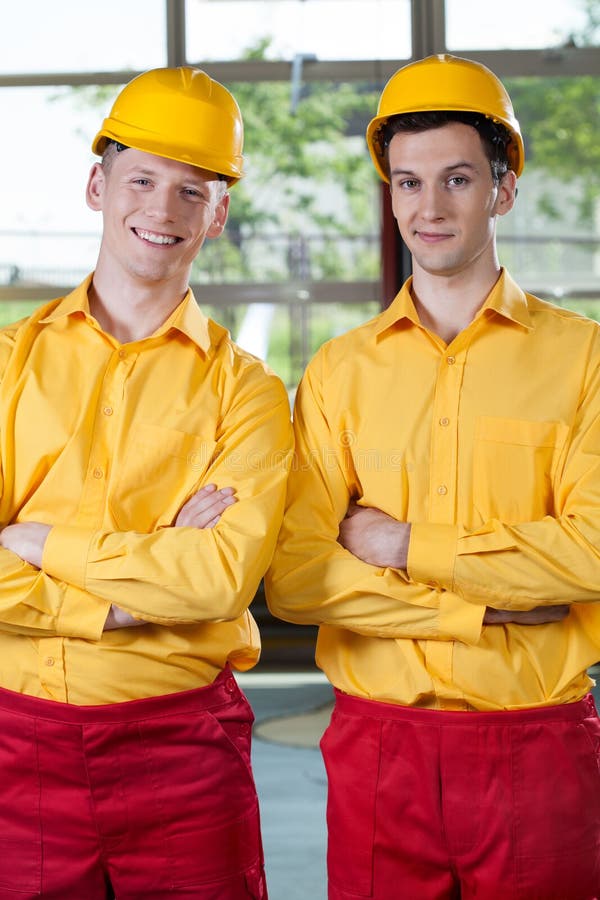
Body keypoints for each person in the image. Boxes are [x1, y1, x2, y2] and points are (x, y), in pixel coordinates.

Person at [266, 54, 600, 899]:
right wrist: (488, 600)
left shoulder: (585, 358)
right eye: (407, 183)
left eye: (456, 179)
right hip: (380, 753)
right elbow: (299, 576)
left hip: (540, 746)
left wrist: (402, 544)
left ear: (504, 188)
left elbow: (592, 556)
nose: (429, 207)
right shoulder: (339, 371)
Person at [0, 66, 292, 899]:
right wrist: (126, 595)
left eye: (192, 192)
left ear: (219, 214)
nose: (162, 212)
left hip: (183, 751)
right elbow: (183, 580)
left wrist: (39, 542)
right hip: (16, 744)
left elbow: (218, 577)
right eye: (141, 181)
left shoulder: (249, 392)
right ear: (99, 185)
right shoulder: (6, 364)